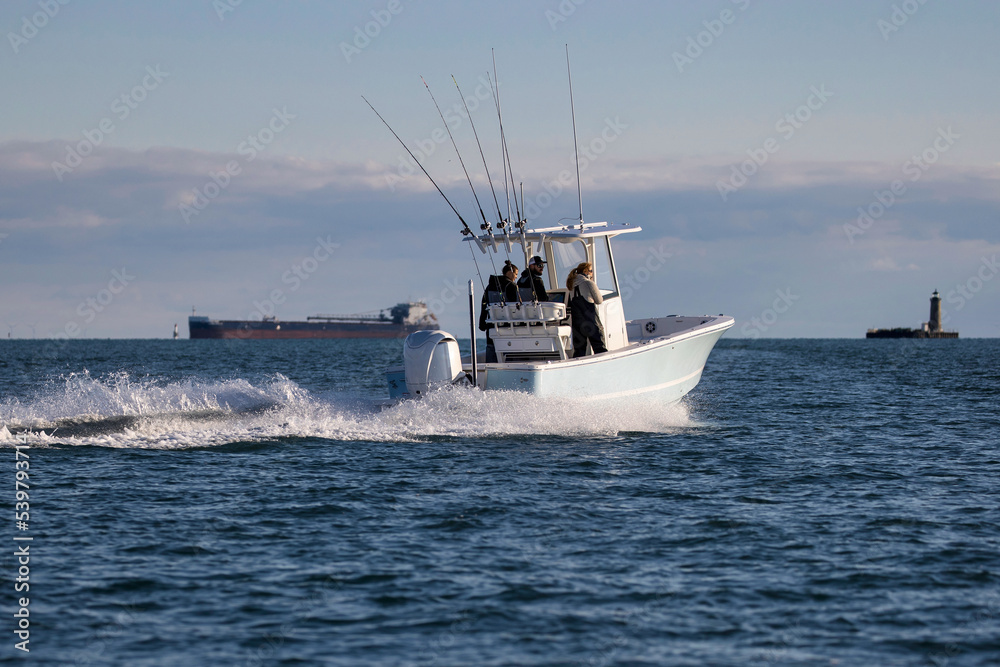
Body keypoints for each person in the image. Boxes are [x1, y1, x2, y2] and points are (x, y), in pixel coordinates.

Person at [479, 261, 520, 362]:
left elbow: (484, 305)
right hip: (508, 330)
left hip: (491, 328)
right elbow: (517, 307)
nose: (516, 277)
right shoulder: (511, 286)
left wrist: (482, 324)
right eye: (515, 274)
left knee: (491, 356)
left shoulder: (489, 286)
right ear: (510, 272)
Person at [565, 262, 607, 357]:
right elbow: (599, 300)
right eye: (591, 271)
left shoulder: (571, 286)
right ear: (586, 271)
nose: (592, 273)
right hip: (591, 321)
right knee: (599, 348)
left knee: (579, 352)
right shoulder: (588, 283)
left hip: (577, 324)